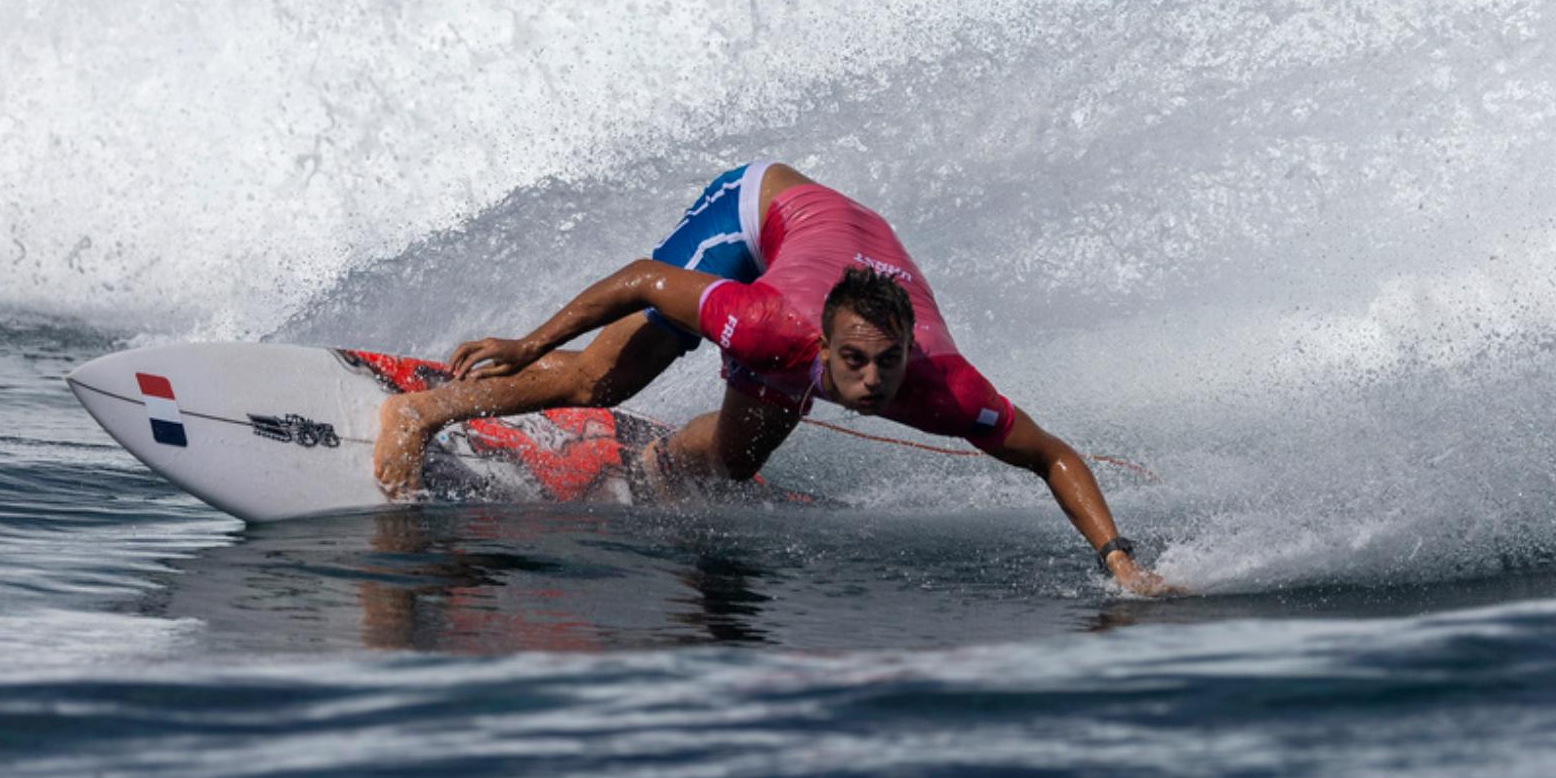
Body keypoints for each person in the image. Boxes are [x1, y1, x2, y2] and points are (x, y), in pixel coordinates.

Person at [374, 162, 1173, 595]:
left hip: (855, 249)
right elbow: (643, 279)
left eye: (887, 363)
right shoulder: (771, 323)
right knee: (603, 380)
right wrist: (528, 343)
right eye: (854, 362)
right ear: (824, 345)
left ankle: (655, 466)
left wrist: (1119, 559)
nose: (872, 383)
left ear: (908, 352)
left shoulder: (947, 388)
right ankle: (423, 413)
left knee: (733, 465)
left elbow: (1051, 456)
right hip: (762, 212)